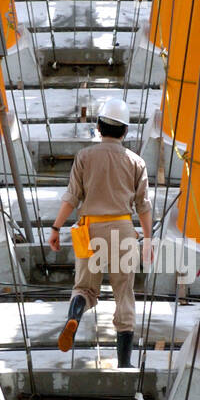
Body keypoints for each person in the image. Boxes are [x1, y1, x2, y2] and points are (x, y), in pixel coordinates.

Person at [49, 98, 153, 366]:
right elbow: (143, 206)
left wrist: (56, 228)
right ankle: (124, 362)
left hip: (90, 228)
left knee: (85, 287)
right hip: (122, 228)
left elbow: (72, 197)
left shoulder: (84, 157)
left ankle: (76, 311)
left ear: (98, 126)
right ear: (125, 131)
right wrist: (148, 240)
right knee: (123, 293)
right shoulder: (136, 162)